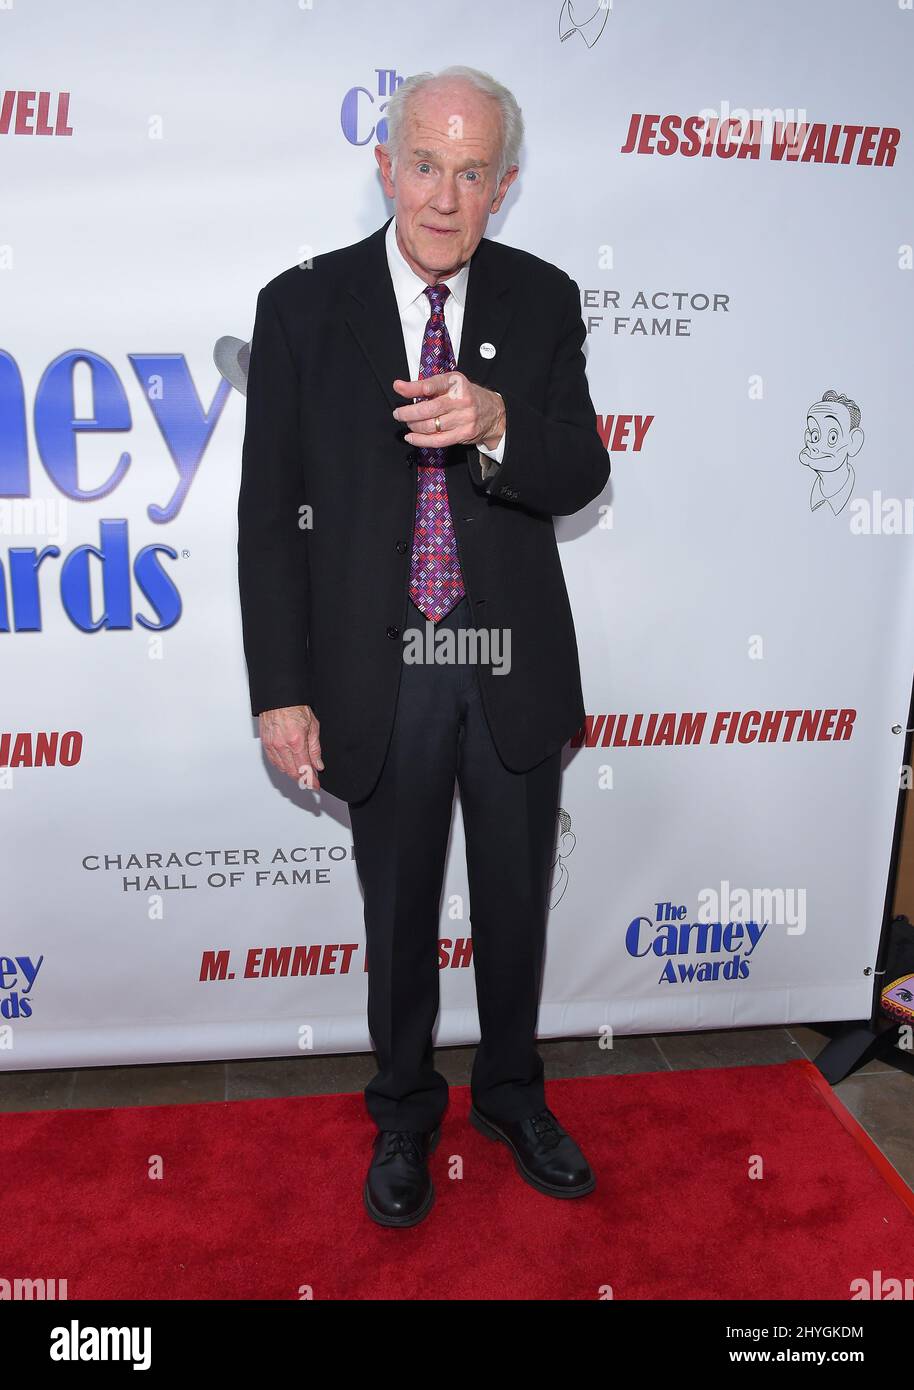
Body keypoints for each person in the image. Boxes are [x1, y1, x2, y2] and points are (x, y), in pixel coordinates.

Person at [237, 65, 610, 1227]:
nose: (445, 195)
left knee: (514, 903)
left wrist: (500, 424)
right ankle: (403, 1110)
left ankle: (510, 1091)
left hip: (508, 662)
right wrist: (282, 689)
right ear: (384, 162)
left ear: (503, 184)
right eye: (425, 162)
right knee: (395, 913)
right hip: (375, 663)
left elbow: (582, 471)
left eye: (472, 171)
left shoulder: (542, 301)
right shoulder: (300, 306)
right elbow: (267, 517)